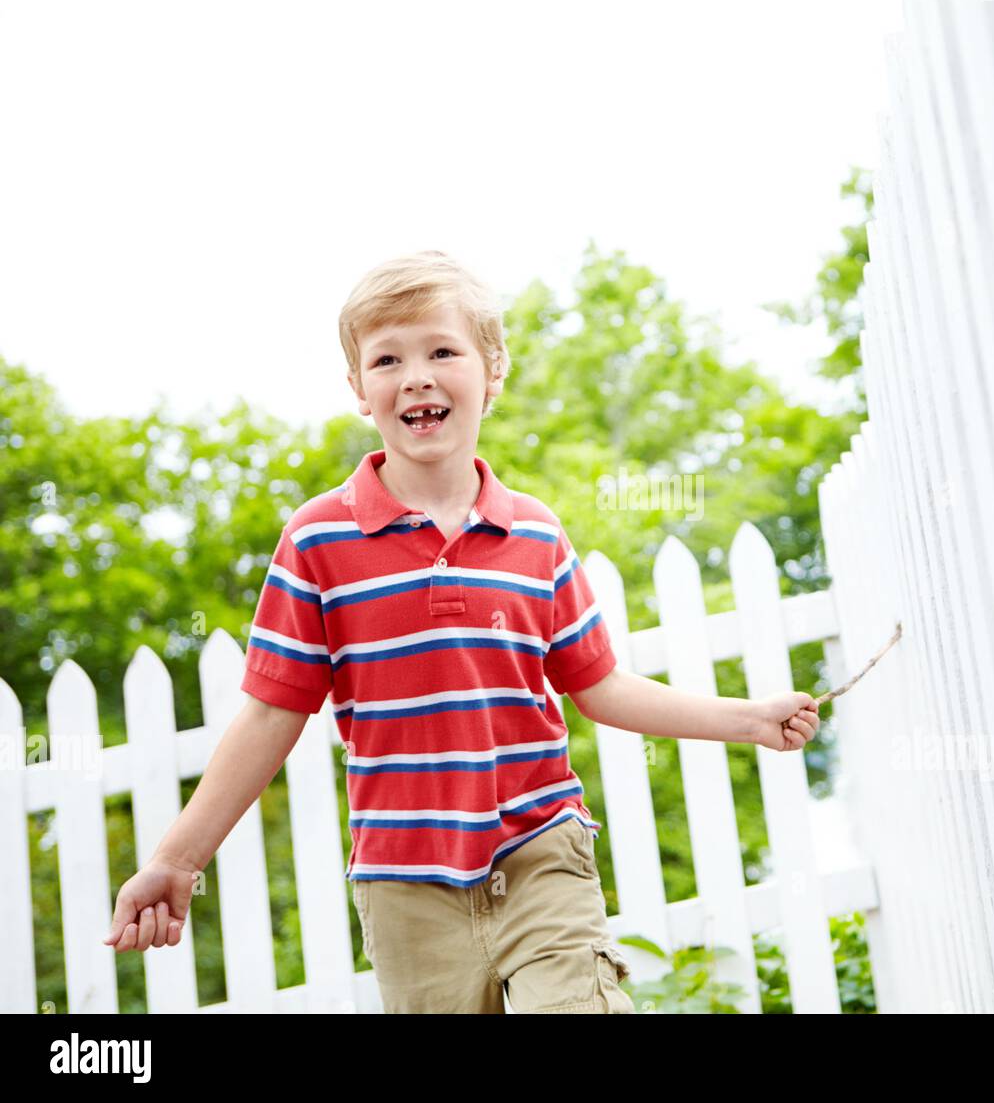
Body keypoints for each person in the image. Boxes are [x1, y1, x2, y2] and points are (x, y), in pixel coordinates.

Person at [102, 250, 821, 1012]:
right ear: (359, 390)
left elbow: (601, 687)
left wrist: (748, 718)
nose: (416, 375)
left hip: (541, 850)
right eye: (387, 359)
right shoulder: (318, 541)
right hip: (407, 884)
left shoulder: (535, 535)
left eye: (442, 350)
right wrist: (177, 860)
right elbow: (272, 711)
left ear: (493, 370)